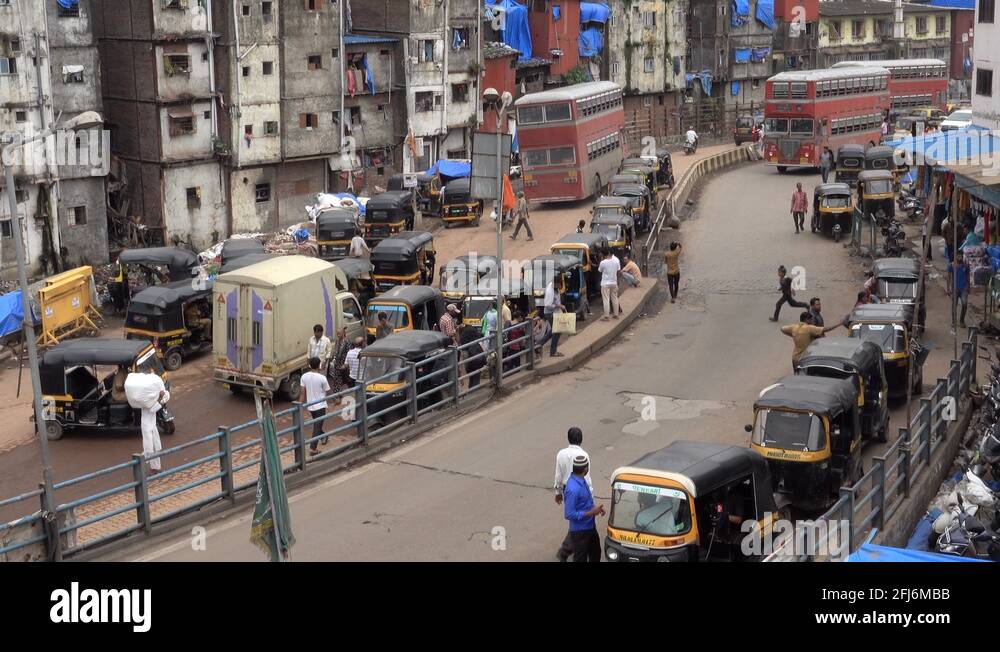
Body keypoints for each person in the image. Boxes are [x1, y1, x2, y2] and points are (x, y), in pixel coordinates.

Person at [553, 427, 594, 561]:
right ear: (581, 439)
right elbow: (586, 478)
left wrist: (558, 492)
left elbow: (558, 475)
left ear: (568, 438)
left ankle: (567, 549)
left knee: (576, 519)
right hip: (581, 491)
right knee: (580, 522)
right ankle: (566, 549)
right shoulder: (584, 455)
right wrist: (590, 498)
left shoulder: (561, 454)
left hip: (567, 490)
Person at [563, 453, 604, 562]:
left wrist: (596, 509)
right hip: (580, 532)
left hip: (590, 527)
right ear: (585, 469)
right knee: (580, 558)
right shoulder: (573, 489)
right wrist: (591, 513)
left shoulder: (581, 480)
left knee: (596, 554)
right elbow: (569, 514)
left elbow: (586, 502)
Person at [299, 357, 331, 455]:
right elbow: (328, 390)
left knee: (317, 425)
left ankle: (323, 436)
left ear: (309, 365)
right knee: (317, 427)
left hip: (311, 406)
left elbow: (302, 393)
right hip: (320, 406)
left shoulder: (304, 376)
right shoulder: (322, 378)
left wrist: (299, 405)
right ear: (319, 365)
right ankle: (313, 449)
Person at [948, 250, 971, 330]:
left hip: (964, 288)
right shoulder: (951, 265)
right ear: (955, 256)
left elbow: (968, 276)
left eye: (961, 256)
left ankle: (962, 321)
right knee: (954, 305)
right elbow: (949, 277)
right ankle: (954, 322)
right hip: (955, 288)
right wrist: (948, 288)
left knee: (964, 304)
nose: (959, 257)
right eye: (958, 256)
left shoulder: (966, 265)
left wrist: (969, 287)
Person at [459, 322, 486, 389]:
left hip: (466, 357)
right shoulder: (474, 342)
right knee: (476, 375)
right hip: (474, 357)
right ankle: (474, 391)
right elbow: (480, 335)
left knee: (471, 376)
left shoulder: (463, 335)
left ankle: (471, 390)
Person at [543, 279, 565, 357]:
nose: (560, 288)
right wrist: (558, 306)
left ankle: (539, 344)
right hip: (550, 313)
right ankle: (553, 352)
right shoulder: (550, 291)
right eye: (559, 286)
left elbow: (557, 300)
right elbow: (548, 306)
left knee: (555, 331)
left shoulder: (556, 289)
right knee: (556, 331)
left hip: (556, 312)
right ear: (555, 284)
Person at [598, 250, 621, 320]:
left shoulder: (603, 262)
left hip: (605, 283)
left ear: (603, 255)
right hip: (614, 282)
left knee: (606, 299)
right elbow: (618, 270)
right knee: (615, 298)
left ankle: (606, 316)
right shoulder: (616, 260)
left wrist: (602, 260)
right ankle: (616, 314)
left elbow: (599, 270)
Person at [329, 326, 351, 394]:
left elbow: (348, 353)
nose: (338, 335)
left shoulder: (347, 341)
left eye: (339, 334)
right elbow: (335, 351)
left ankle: (350, 393)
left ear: (343, 334)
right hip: (337, 365)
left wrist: (347, 364)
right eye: (337, 334)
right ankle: (337, 395)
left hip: (344, 364)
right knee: (337, 381)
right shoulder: (337, 341)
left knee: (347, 380)